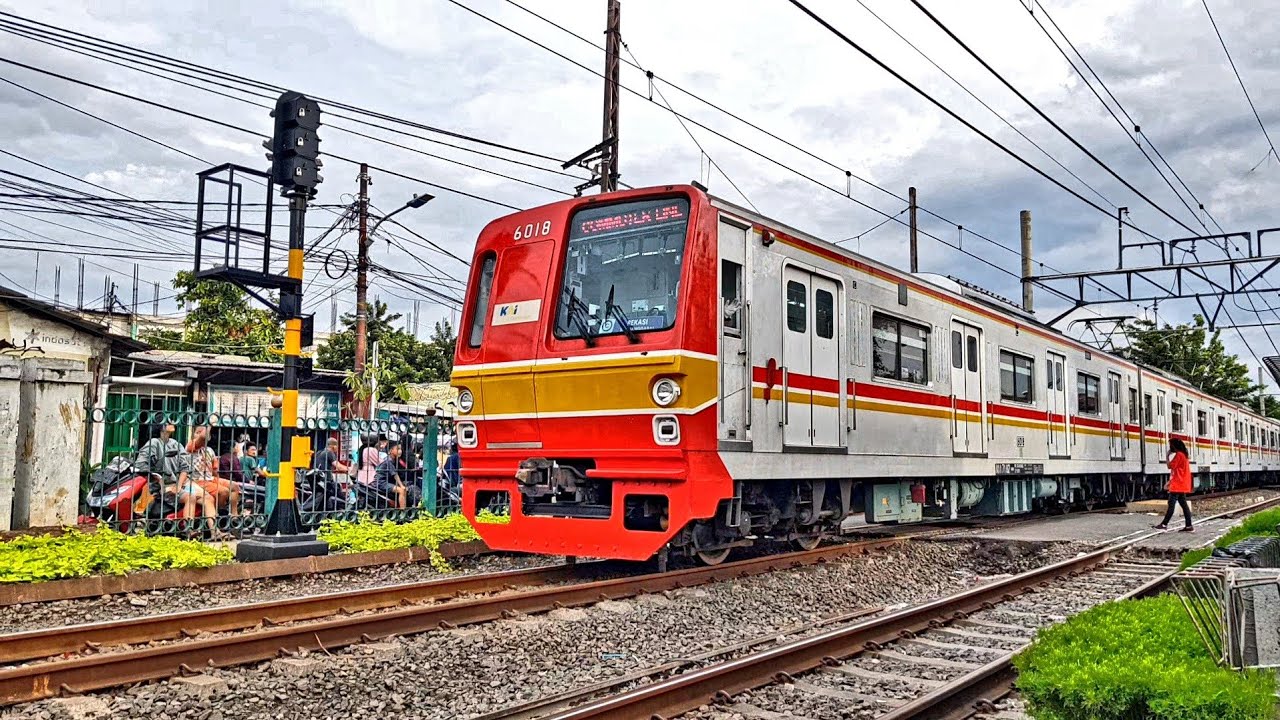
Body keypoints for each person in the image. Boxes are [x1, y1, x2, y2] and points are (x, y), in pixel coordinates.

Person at [134, 423, 218, 537]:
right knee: (190, 496)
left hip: (179, 483)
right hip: (162, 484)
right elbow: (141, 464)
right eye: (168, 422)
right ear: (161, 426)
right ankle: (188, 530)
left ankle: (215, 532)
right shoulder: (154, 443)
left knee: (208, 498)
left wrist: (179, 485)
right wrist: (157, 478)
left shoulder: (176, 444)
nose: (172, 423)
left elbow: (185, 467)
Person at [187, 428, 240, 519]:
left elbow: (215, 469)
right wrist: (209, 424)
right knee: (224, 491)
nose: (200, 434)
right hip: (197, 480)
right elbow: (203, 437)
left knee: (234, 486)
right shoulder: (191, 446)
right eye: (197, 433)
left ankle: (234, 516)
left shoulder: (210, 450)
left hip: (210, 478)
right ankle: (217, 514)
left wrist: (218, 481)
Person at [1155, 438, 1194, 532]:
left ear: (1174, 446)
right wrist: (1169, 482)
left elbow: (1170, 466)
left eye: (1170, 445)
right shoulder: (1184, 455)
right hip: (1181, 483)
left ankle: (1164, 524)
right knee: (1184, 505)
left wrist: (1167, 456)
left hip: (1177, 484)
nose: (1169, 447)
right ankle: (1189, 526)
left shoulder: (1179, 455)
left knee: (1171, 504)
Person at [374, 441, 410, 509]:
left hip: (387, 481)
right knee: (401, 490)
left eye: (400, 449)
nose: (400, 451)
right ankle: (403, 512)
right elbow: (394, 474)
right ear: (391, 451)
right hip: (381, 482)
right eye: (398, 449)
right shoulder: (389, 460)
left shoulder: (395, 460)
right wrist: (402, 486)